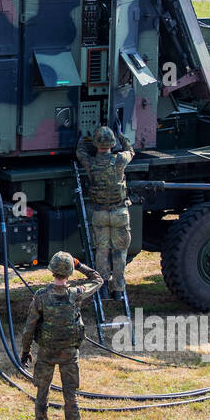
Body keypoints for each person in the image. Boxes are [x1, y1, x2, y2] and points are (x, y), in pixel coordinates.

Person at [19, 251, 104, 420]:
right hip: (69, 353)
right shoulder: (77, 293)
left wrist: (25, 351)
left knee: (42, 393)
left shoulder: (41, 296)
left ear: (51, 271)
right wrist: (80, 264)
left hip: (46, 352)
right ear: (69, 272)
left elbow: (29, 327)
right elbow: (98, 279)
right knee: (70, 394)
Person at [76, 125, 134, 297]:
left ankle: (102, 289)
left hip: (100, 214)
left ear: (96, 143)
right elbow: (131, 151)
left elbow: (80, 153)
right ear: (112, 143)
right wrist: (122, 134)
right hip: (119, 213)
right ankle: (118, 289)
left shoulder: (91, 163)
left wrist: (81, 138)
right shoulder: (120, 160)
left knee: (101, 251)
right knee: (120, 252)